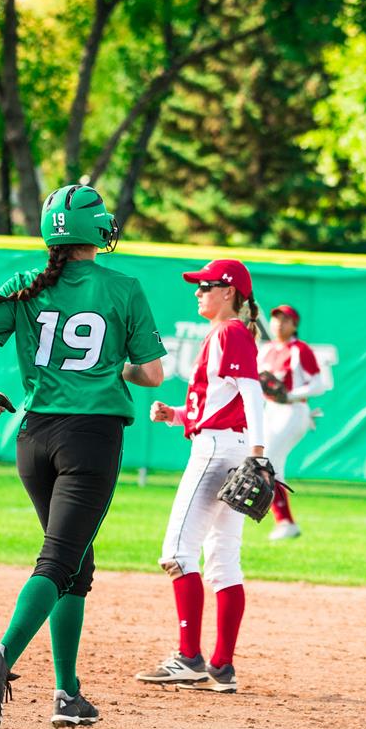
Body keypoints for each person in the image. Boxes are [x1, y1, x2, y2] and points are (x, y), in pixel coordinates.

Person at [0, 182, 166, 729]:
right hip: (90, 439)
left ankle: (67, 694)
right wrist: (112, 367)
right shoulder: (122, 287)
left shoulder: (25, 284)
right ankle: (2, 657)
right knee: (58, 559)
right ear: (97, 232)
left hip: (33, 437)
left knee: (76, 563)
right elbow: (152, 375)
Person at [136, 258, 266, 694]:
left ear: (228, 291)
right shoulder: (230, 333)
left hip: (215, 452)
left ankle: (188, 658)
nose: (198, 292)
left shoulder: (229, 332)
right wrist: (175, 415)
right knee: (224, 560)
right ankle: (221, 668)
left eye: (206, 286)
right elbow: (221, 403)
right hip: (225, 445)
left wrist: (260, 454)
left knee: (176, 552)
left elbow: (253, 394)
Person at [258, 304, 331, 540]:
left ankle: (285, 522)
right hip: (270, 409)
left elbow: (320, 384)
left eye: (285, 320)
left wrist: (290, 394)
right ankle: (285, 522)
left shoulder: (301, 350)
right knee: (266, 464)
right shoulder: (266, 350)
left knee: (267, 460)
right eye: (276, 319)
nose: (279, 323)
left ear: (294, 325)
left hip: (294, 410)